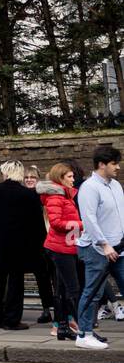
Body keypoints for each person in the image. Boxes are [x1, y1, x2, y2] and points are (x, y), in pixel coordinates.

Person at [74, 144, 124, 350]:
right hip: (97, 250)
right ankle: (83, 335)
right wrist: (104, 245)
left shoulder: (115, 186)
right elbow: (89, 219)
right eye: (114, 163)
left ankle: (86, 333)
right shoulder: (89, 188)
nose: (118, 167)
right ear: (101, 164)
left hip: (119, 248)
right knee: (92, 292)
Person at [0, 160, 44, 331]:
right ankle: (11, 320)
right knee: (16, 284)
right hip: (18, 245)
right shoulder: (28, 194)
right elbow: (36, 223)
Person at [38, 163, 82, 341]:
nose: (74, 180)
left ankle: (62, 327)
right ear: (60, 178)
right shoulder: (56, 196)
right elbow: (56, 223)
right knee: (73, 290)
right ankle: (82, 328)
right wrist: (81, 225)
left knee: (63, 290)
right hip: (59, 248)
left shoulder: (65, 195)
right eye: (70, 177)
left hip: (66, 246)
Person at [22, 165, 56, 323]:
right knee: (41, 278)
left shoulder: (44, 195)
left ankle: (60, 309)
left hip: (49, 240)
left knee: (55, 277)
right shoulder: (21, 196)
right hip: (33, 244)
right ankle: (46, 309)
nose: (29, 180)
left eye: (32, 177)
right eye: (27, 177)